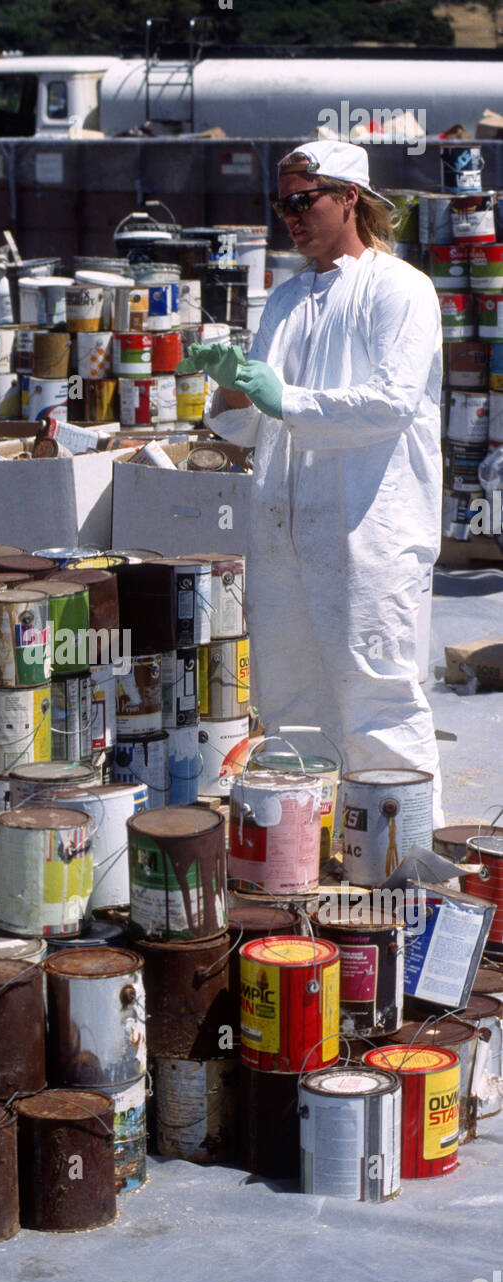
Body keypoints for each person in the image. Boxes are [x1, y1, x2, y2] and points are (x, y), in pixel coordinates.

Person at [181, 139, 444, 825]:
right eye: (281, 206)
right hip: (284, 530)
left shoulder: (399, 289)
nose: (290, 218)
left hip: (369, 530)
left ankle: (400, 859)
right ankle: (310, 851)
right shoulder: (289, 297)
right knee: (289, 698)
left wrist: (282, 398)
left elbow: (389, 404)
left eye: (304, 201)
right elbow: (249, 426)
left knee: (375, 695)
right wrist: (234, 388)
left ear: (349, 196)